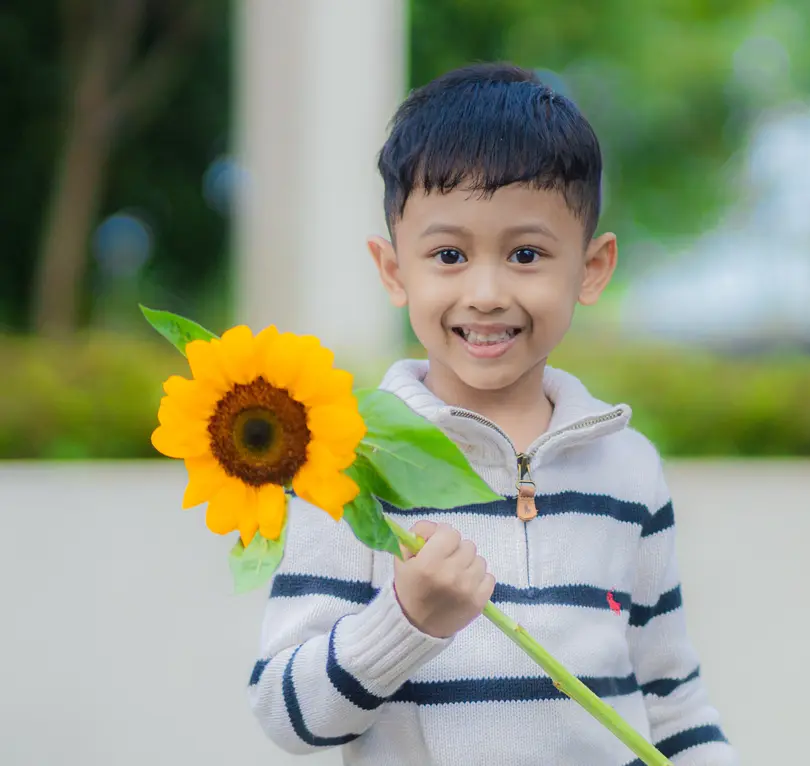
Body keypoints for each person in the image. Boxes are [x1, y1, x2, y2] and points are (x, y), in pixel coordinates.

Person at [246, 62, 738, 766]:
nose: (484, 292)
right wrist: (406, 621)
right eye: (448, 254)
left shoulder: (630, 472)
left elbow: (673, 700)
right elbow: (288, 715)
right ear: (393, 271)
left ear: (592, 269)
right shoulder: (345, 463)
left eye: (526, 254)